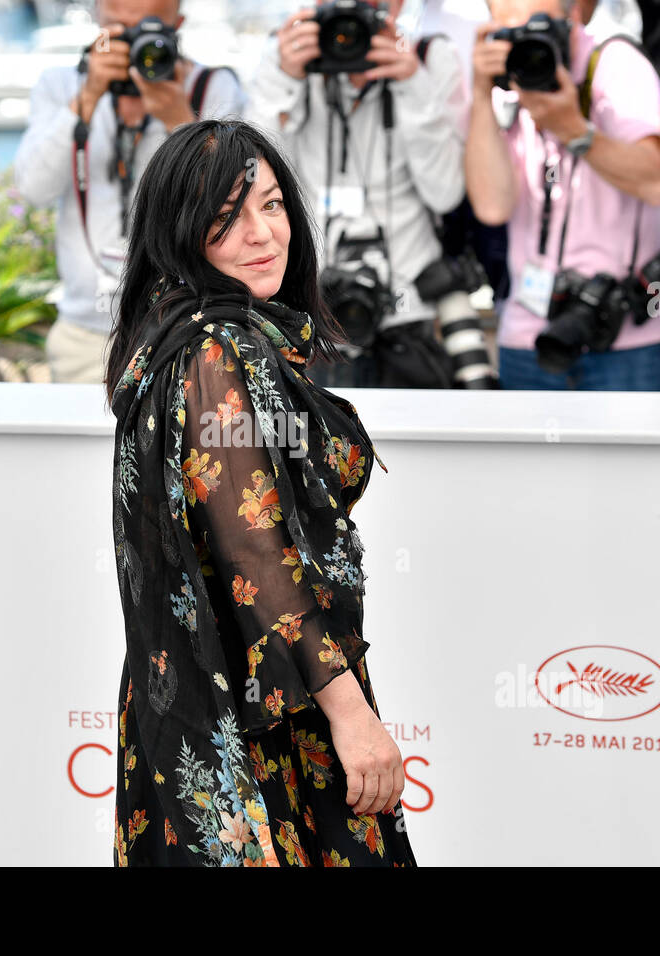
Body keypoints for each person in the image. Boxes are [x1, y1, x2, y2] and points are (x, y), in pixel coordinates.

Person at [105, 118, 417, 866]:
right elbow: (259, 556)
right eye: (225, 218)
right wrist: (352, 715)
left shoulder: (174, 334)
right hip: (261, 713)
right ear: (180, 234)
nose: (262, 234)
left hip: (199, 701)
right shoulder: (219, 350)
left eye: (272, 205)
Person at [14, 0, 245, 385]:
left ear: (178, 25)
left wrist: (180, 121)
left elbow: (231, 203)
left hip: (189, 329)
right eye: (119, 31)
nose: (133, 45)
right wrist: (85, 101)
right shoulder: (61, 85)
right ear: (97, 19)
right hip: (85, 333)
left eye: (148, 29)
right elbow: (34, 188)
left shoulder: (210, 88)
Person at [466, 0, 660, 390]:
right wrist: (482, 96)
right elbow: (491, 206)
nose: (529, 48)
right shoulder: (504, 78)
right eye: (512, 35)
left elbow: (655, 183)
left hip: (624, 334)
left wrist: (573, 129)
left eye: (539, 29)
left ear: (573, 19)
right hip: (528, 330)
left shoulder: (615, 63)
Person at [246, 0, 469, 388]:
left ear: (396, 6)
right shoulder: (287, 60)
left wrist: (413, 85)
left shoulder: (431, 59)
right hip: (312, 312)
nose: (348, 25)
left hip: (407, 311)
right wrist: (283, 81)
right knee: (317, 448)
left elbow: (446, 194)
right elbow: (251, 182)